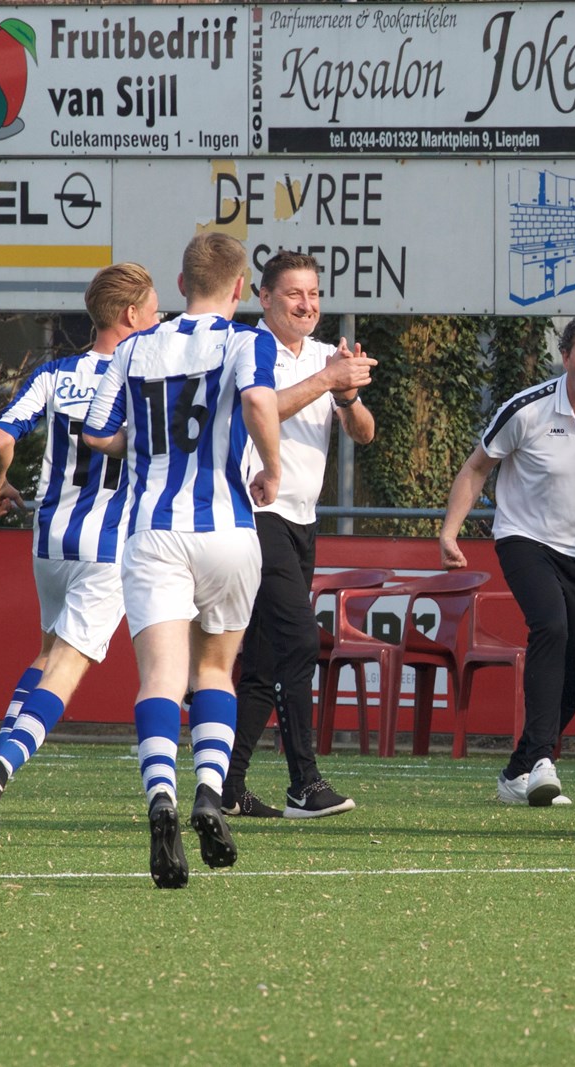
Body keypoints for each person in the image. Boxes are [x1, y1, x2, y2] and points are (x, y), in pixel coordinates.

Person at [82, 232, 281, 889]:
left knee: (162, 678)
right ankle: (208, 791)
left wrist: (140, 446)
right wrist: (273, 468)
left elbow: (97, 431)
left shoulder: (136, 347)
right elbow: (255, 401)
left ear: (181, 277)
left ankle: (160, 796)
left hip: (152, 532)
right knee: (217, 669)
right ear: (237, 286)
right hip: (226, 525)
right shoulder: (247, 341)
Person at [0, 264, 161, 838]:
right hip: (107, 545)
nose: (160, 318)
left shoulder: (55, 374)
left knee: (47, 654)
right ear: (130, 316)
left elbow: (0, 436)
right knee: (66, 673)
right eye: (153, 309)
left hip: (49, 541)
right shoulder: (142, 376)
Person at [223, 251, 376, 821]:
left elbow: (363, 434)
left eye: (313, 294)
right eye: (294, 294)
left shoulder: (325, 357)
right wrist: (326, 379)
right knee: (299, 644)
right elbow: (260, 410)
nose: (307, 304)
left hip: (301, 522)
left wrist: (347, 394)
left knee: (264, 665)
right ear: (263, 298)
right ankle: (304, 783)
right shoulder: (248, 348)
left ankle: (228, 786)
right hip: (256, 513)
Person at [440, 315, 575, 807]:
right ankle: (539, 760)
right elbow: (476, 467)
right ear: (566, 359)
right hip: (525, 539)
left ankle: (519, 769)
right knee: (551, 627)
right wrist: (450, 530)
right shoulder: (528, 408)